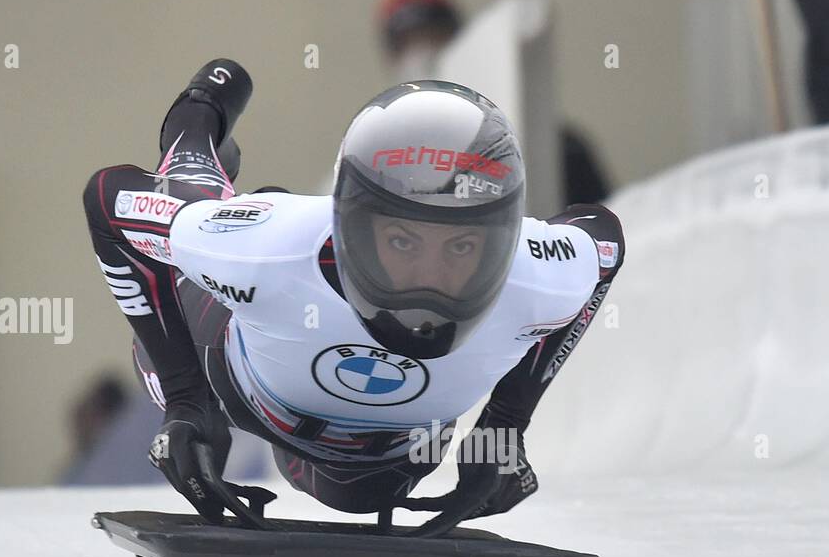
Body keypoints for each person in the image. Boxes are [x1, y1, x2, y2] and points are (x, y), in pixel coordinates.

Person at [81, 59, 624, 529]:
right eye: (401, 241)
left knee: (360, 496)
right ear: (351, 227)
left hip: (394, 446)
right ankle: (201, 122)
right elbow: (109, 199)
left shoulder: (537, 272)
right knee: (186, 208)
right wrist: (185, 401)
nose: (427, 278)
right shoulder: (264, 249)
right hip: (235, 375)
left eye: (462, 247)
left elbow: (603, 242)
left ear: (503, 239)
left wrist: (504, 427)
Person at [378, 0, 612, 206]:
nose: (423, 55)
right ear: (392, 58)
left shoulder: (558, 147)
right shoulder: (384, 163)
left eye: (434, 36)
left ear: (458, 45)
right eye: (408, 44)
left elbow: (600, 230)